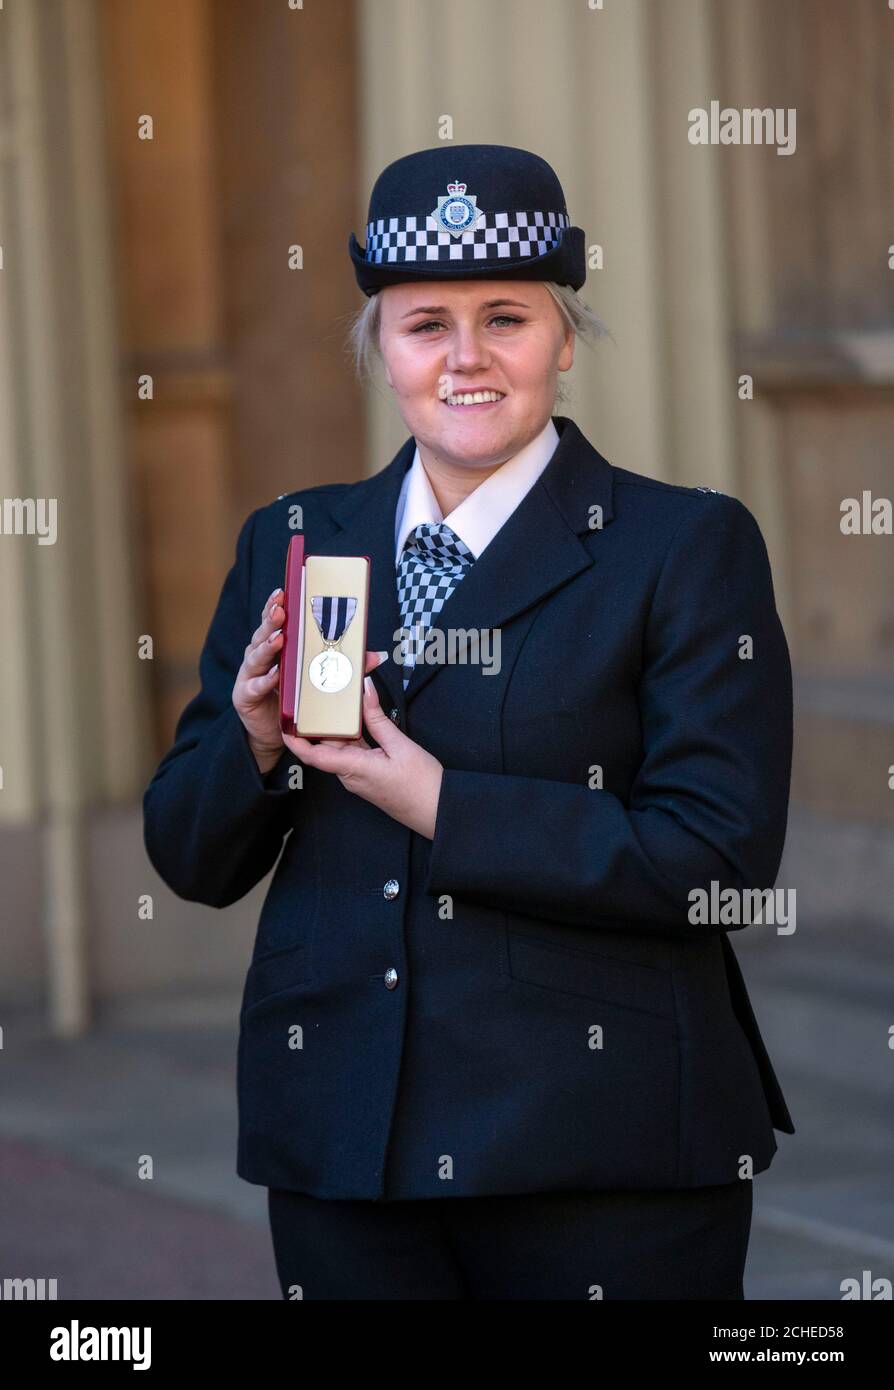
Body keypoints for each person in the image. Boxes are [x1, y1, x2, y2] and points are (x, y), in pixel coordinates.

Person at [142, 143, 795, 1300]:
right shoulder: (297, 538)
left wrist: (439, 802)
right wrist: (248, 743)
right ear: (379, 350)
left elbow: (716, 859)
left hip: (598, 1150)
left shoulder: (683, 545)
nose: (466, 358)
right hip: (350, 1140)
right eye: (424, 323)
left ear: (565, 338)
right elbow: (192, 859)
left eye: (506, 317)